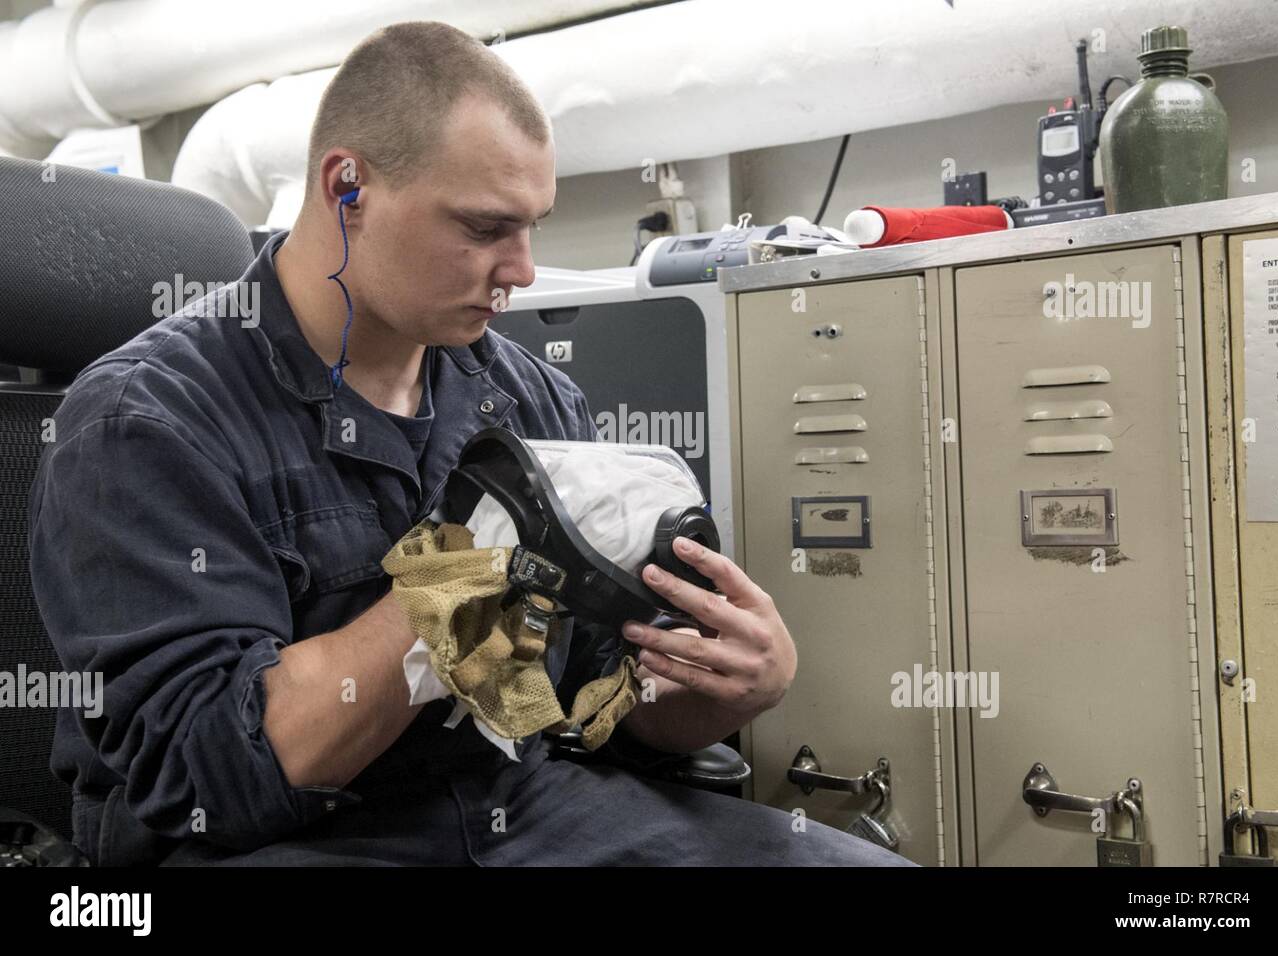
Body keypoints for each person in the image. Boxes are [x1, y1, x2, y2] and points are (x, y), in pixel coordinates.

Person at [28, 20, 914, 867]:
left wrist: (717, 692)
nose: (523, 268)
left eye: (533, 224)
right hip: (281, 844)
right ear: (348, 189)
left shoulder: (530, 397)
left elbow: (600, 704)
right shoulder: (146, 422)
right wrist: (465, 576)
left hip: (518, 808)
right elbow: (216, 778)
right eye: (485, 228)